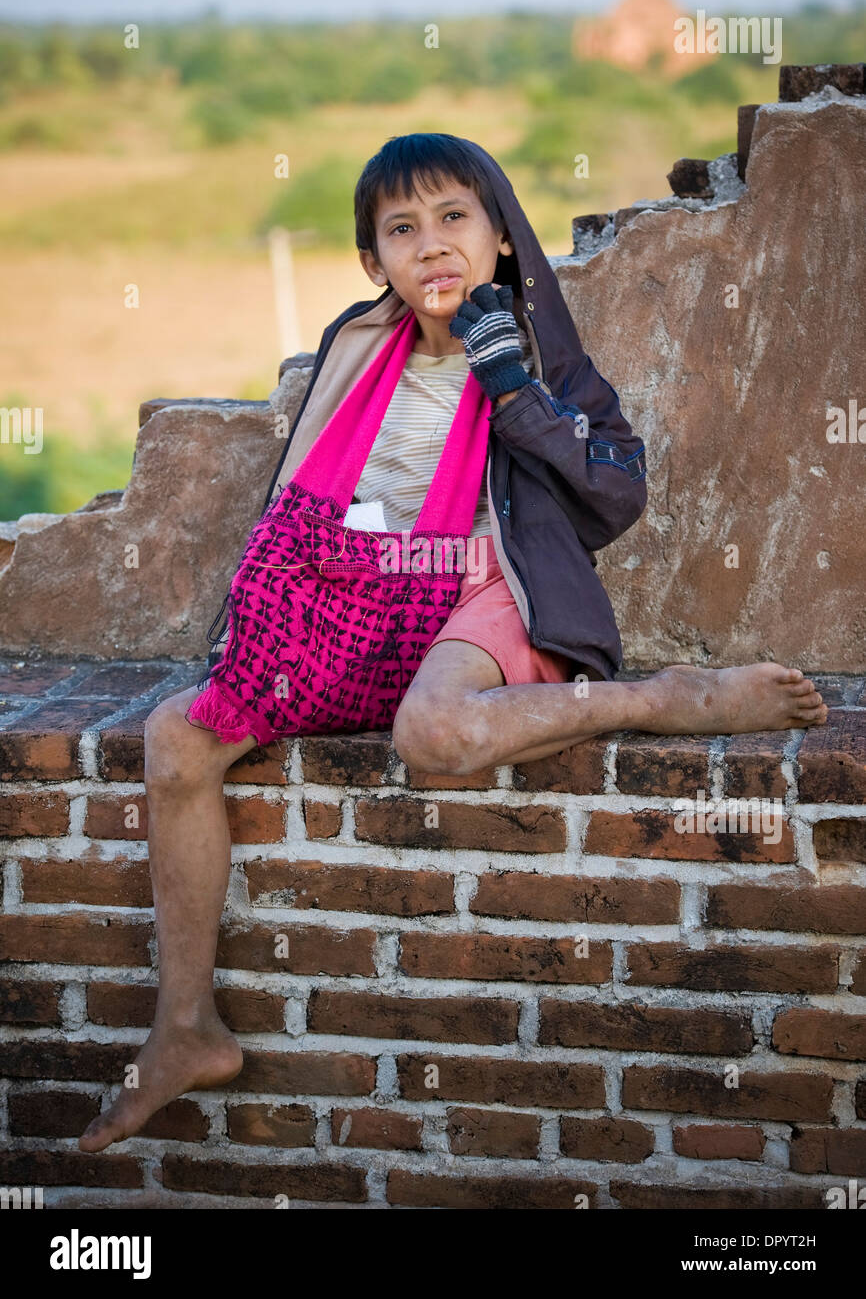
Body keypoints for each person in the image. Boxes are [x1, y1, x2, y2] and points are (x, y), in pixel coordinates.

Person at [78, 133, 826, 1153]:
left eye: (452, 219)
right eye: (401, 228)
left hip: (483, 587)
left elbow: (612, 492)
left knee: (429, 733)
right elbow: (307, 497)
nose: (430, 245)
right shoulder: (357, 348)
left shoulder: (533, 346)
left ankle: (673, 697)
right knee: (177, 737)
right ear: (371, 262)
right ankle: (185, 1026)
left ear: (501, 236)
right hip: (356, 598)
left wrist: (513, 387)